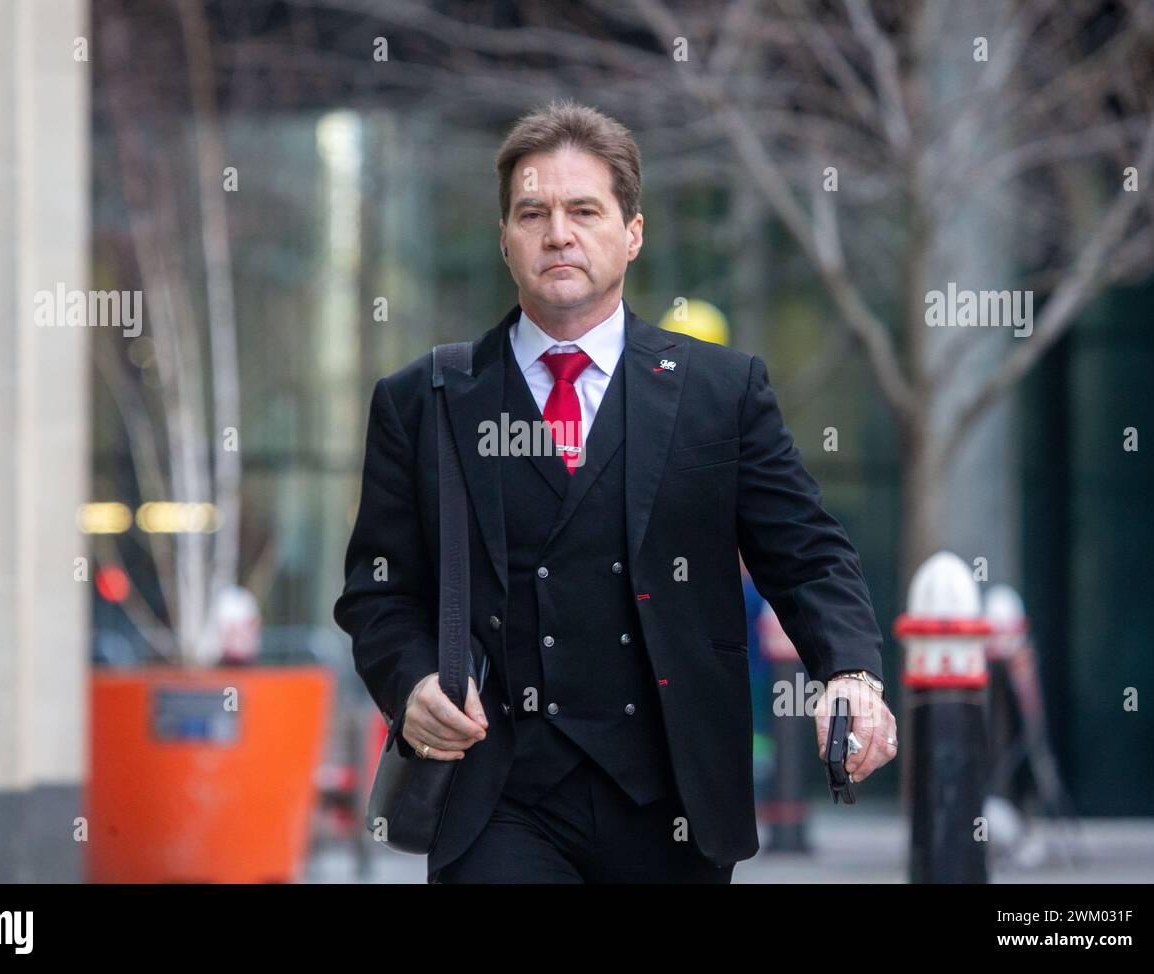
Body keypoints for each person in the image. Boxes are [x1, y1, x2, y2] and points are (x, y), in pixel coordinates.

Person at [333, 99, 896, 884]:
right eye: (532, 213)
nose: (557, 233)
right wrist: (414, 679)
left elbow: (805, 555)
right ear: (504, 239)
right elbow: (377, 593)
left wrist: (852, 675)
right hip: (498, 798)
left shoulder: (719, 392)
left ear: (632, 234)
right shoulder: (423, 400)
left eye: (583, 211)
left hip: (673, 799)